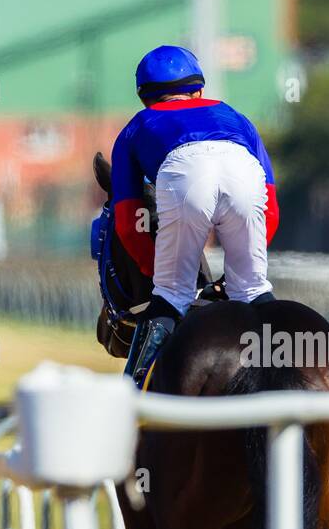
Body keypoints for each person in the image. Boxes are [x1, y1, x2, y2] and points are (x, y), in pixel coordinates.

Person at [110, 45, 279, 386]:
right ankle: (291, 358)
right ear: (199, 89)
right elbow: (270, 210)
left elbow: (128, 222)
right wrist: (234, 278)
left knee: (171, 295)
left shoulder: (135, 127)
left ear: (145, 98)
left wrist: (156, 271)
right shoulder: (237, 117)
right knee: (253, 290)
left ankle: (131, 395)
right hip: (242, 172)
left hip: (183, 174)